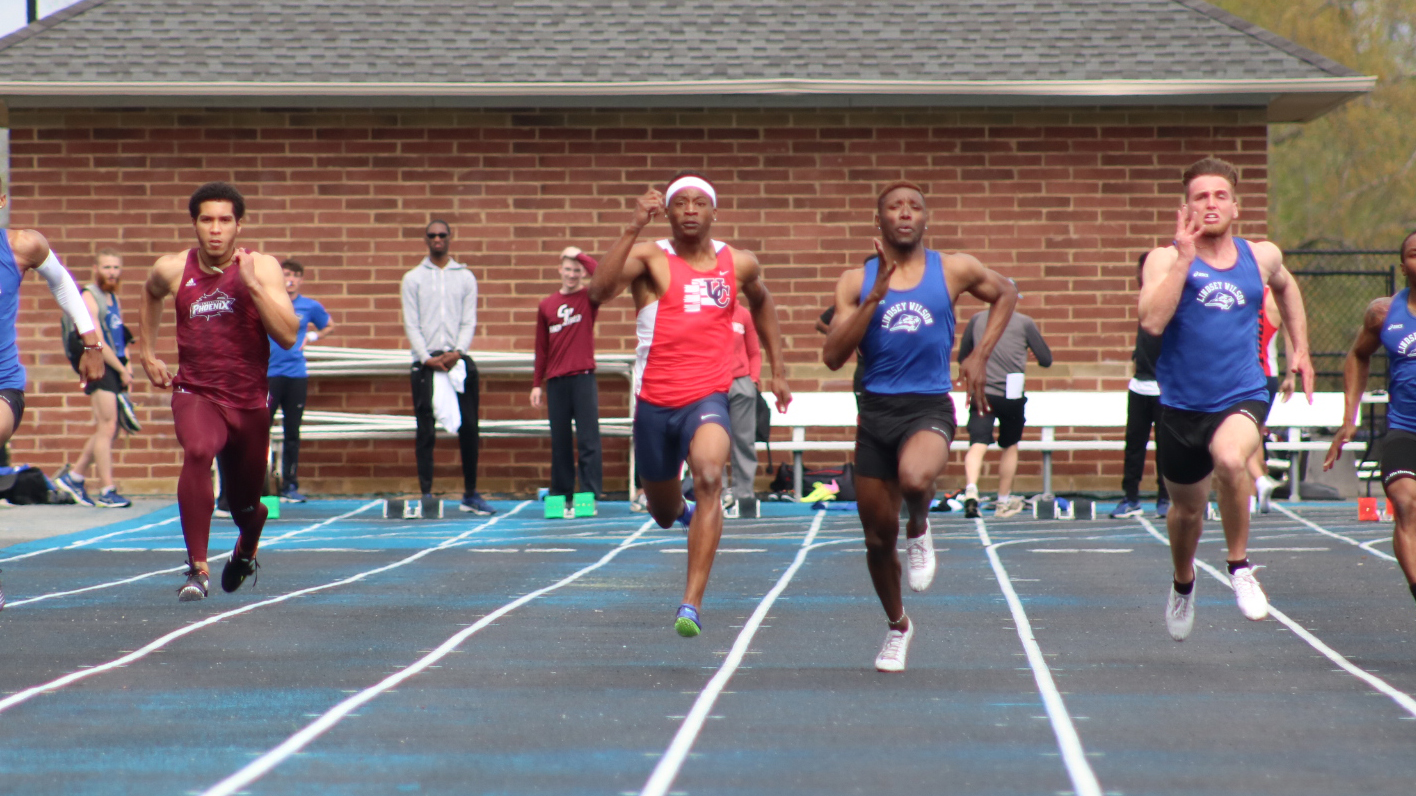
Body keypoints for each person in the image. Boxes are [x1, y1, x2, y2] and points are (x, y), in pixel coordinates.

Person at [823, 180, 1018, 672]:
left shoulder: (952, 268)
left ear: (926, 219)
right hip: (875, 413)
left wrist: (980, 352)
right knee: (874, 539)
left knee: (915, 478)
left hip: (928, 406)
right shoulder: (855, 281)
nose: (905, 213)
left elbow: (1006, 292)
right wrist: (875, 297)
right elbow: (831, 357)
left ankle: (921, 525)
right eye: (894, 207)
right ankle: (897, 627)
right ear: (879, 221)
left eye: (915, 207)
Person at [589, 171, 792, 638]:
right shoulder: (649, 257)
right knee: (662, 512)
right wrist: (632, 227)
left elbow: (762, 302)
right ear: (669, 212)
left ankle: (691, 603)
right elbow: (598, 293)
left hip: (708, 396)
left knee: (707, 475)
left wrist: (778, 370)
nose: (690, 210)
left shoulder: (738, 263)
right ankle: (682, 516)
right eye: (680, 202)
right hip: (655, 403)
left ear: (714, 212)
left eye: (700, 202)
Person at [1139, 157, 1313, 642]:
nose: (1210, 204)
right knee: (1186, 513)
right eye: (1200, 196)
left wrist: (1300, 347)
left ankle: (1239, 566)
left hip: (1241, 390)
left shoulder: (1259, 256)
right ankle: (1183, 582)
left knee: (1231, 459)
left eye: (1220, 196)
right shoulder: (1162, 259)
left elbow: (1287, 285)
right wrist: (1183, 260)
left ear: (1235, 207)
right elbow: (1152, 322)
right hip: (1180, 407)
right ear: (1186, 207)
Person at [138, 181, 299, 602]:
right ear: (194, 224)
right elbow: (151, 293)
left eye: (224, 220)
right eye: (206, 219)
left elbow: (287, 336)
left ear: (238, 226)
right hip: (196, 391)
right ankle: (198, 569)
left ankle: (246, 548)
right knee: (197, 449)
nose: (215, 229)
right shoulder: (173, 268)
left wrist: (254, 286)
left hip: (248, 402)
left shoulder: (261, 268)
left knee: (246, 506)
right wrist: (149, 352)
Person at [1326, 230, 1416, 605]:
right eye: (1414, 253)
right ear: (1402, 266)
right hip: (1404, 428)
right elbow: (1358, 355)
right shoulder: (1383, 313)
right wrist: (1350, 417)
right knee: (1405, 500)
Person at [0, 176, 106, 456]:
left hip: (3, 384)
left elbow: (61, 282)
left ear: (2, 201)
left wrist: (92, 343)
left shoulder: (22, 246)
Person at [401, 219, 494, 515]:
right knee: (425, 431)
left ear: (450, 237)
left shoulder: (465, 277)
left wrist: (458, 352)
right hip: (425, 363)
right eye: (432, 235)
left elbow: (469, 319)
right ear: (425, 239)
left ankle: (470, 493)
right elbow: (411, 322)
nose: (438, 239)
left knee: (469, 427)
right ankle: (427, 493)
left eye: (442, 234)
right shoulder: (412, 279)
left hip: (457, 361)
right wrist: (426, 357)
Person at [957, 288, 1051, 519]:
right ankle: (1002, 500)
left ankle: (971, 490)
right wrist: (1027, 352)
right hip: (1011, 394)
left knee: (978, 443)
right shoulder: (1024, 323)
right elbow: (1046, 359)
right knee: (1010, 445)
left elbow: (963, 357)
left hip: (983, 393)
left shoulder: (977, 320)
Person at [53, 249, 136, 508]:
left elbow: (120, 336)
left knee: (107, 428)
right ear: (96, 268)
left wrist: (128, 365)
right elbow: (96, 339)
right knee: (108, 426)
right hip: (98, 363)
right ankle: (106, 489)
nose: (111, 272)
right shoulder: (89, 296)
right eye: (106, 267)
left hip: (114, 364)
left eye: (115, 267)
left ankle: (75, 477)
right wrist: (120, 370)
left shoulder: (113, 298)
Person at [530, 246, 602, 501]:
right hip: (557, 382)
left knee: (588, 440)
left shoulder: (588, 297)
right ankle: (561, 493)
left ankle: (590, 493)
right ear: (560, 270)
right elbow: (541, 348)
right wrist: (537, 384)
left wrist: (581, 255)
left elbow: (602, 275)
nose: (573, 275)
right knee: (560, 442)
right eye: (568, 269)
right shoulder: (546, 305)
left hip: (583, 378)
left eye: (577, 270)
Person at [266, 259, 333, 503]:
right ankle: (258, 484)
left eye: (295, 275)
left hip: (295, 375)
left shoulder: (308, 306)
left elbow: (329, 325)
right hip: (269, 374)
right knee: (261, 429)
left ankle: (289, 486)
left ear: (301, 279)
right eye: (285, 275)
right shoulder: (269, 302)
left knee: (292, 431)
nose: (290, 280)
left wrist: (313, 335)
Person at [1113, 254, 1171, 519]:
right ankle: (1131, 497)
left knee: (1167, 447)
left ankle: (1165, 497)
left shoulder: (1172, 299)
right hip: (1140, 386)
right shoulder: (1144, 298)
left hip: (1165, 388)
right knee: (1134, 445)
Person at [1250, 286, 1294, 511]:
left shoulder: (1238, 291)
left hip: (1245, 374)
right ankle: (1258, 489)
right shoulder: (1276, 300)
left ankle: (1256, 485)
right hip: (1269, 375)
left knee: (1243, 435)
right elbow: (1290, 335)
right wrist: (1290, 374)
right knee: (1255, 433)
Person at [724, 301, 762, 515]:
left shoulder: (743, 314)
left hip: (741, 385)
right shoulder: (705, 310)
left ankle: (744, 495)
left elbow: (754, 352)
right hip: (711, 384)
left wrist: (752, 381)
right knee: (712, 442)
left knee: (744, 441)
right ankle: (717, 494)